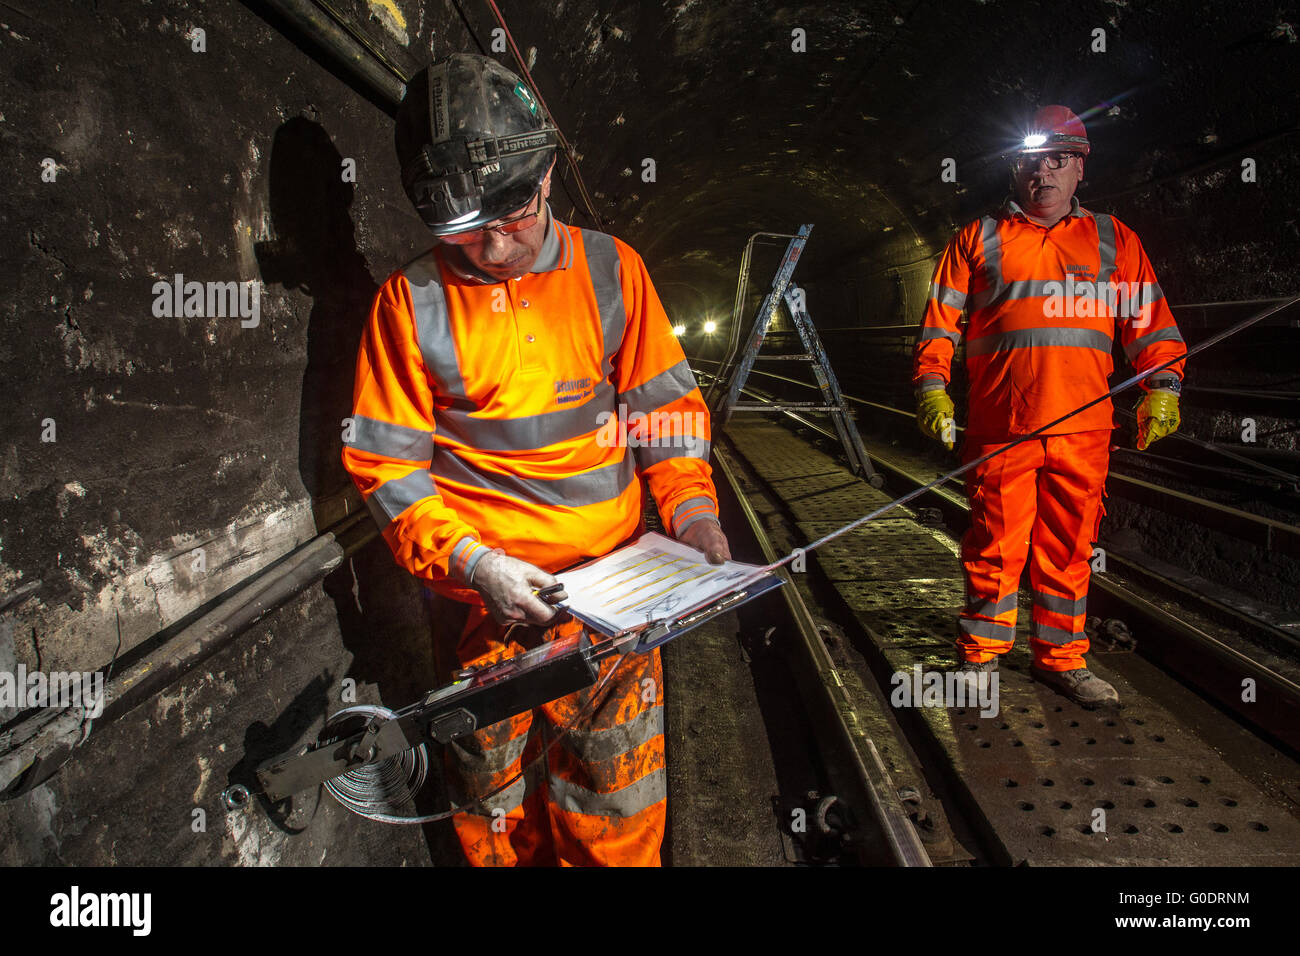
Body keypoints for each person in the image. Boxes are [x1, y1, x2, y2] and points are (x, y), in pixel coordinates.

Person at [342, 54, 729, 865]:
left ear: (547, 171)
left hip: (612, 609)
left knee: (614, 804)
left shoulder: (611, 270)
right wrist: (478, 566)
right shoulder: (407, 303)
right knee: (494, 817)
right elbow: (386, 467)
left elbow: (664, 416)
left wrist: (692, 513)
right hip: (484, 615)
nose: (493, 238)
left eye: (512, 208)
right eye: (464, 226)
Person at [911, 105, 1185, 706]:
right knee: (996, 544)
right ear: (1015, 171)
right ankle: (981, 657)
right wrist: (932, 386)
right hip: (1001, 425)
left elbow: (1150, 325)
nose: (1045, 173)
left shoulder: (1113, 240)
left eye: (1059, 160)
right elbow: (939, 326)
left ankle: (1061, 659)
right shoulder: (979, 238)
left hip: (1083, 428)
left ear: (1080, 168)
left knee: (1068, 547)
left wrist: (1163, 387)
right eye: (1032, 161)